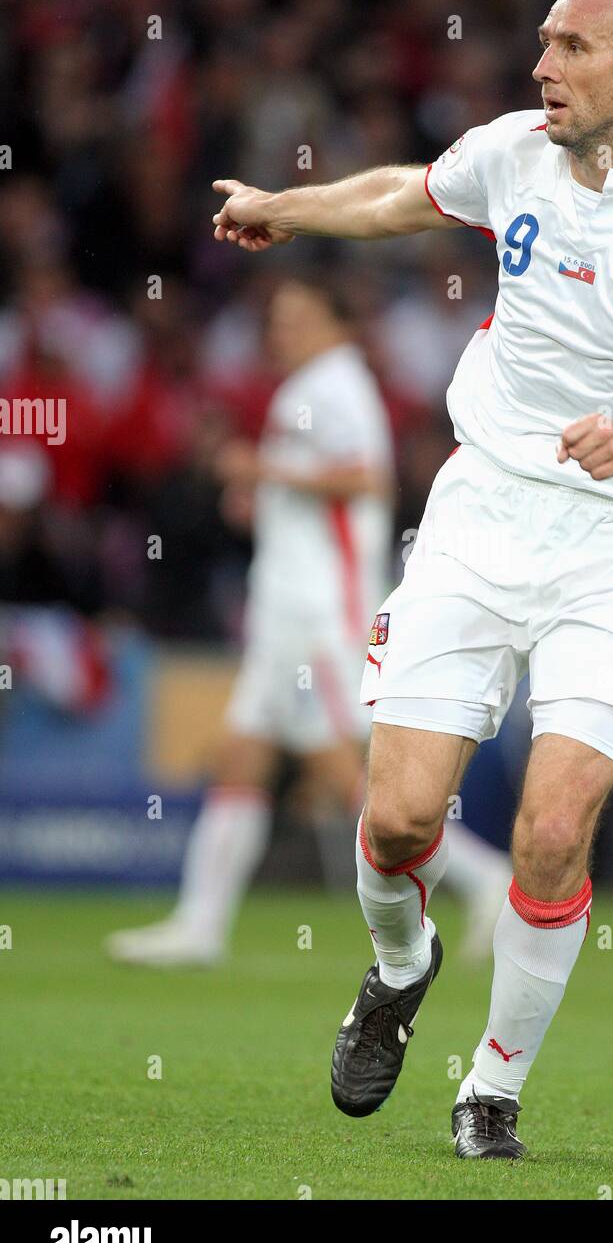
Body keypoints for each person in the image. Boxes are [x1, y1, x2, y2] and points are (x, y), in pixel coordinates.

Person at [209, 0, 613, 1159]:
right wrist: (291, 207)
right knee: (399, 819)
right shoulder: (512, 152)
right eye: (539, 44)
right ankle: (397, 969)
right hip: (483, 512)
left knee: (551, 829)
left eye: (570, 48)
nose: (541, 66)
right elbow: (403, 199)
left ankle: (493, 1086)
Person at [106, 278, 509, 967]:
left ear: (334, 323)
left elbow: (365, 478)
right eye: (276, 319)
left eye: (296, 318)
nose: (279, 331)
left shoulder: (336, 384)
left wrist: (262, 469)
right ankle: (200, 926)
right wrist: (266, 495)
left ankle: (485, 881)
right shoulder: (308, 388)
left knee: (341, 774)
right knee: (240, 758)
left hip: (323, 611)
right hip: (282, 609)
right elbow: (320, 485)